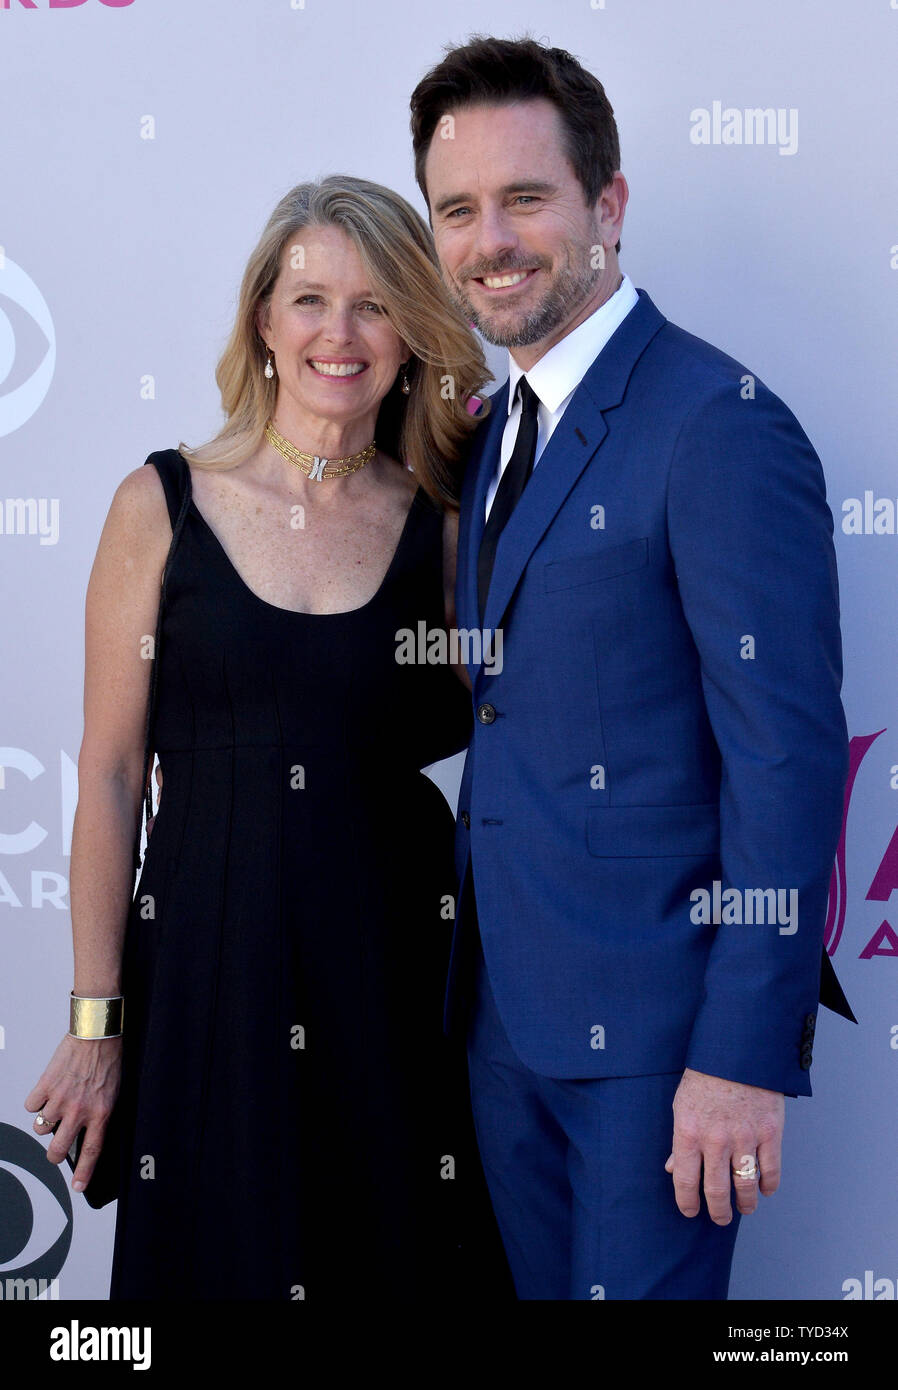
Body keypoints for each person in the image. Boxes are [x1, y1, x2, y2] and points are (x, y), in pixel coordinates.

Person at [409, 36, 852, 1300]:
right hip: (502, 1023)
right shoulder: (497, 431)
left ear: (607, 204)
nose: (490, 239)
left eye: (525, 199)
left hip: (663, 1052)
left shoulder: (717, 422)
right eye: (458, 209)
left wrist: (741, 1054)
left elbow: (784, 753)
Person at [24, 175, 511, 1300]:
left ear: (409, 336)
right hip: (203, 979)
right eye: (308, 301)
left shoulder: (446, 525)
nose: (337, 333)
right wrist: (97, 1023)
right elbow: (104, 780)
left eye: (374, 303)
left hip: (394, 988)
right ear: (262, 321)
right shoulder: (160, 506)